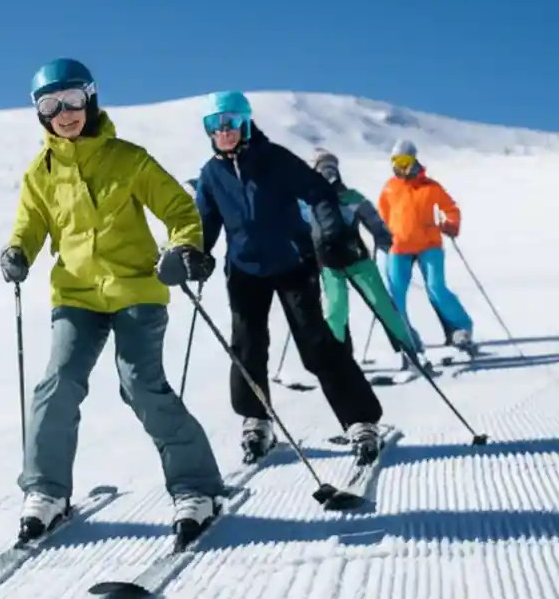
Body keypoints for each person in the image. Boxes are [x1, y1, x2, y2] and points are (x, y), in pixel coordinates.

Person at [0, 58, 226, 547]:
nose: (64, 113)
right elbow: (30, 225)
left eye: (73, 100)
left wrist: (183, 249)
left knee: (140, 383)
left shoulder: (128, 158)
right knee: (56, 383)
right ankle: (46, 492)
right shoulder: (39, 174)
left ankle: (197, 489)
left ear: (91, 99)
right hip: (76, 293)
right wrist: (18, 251)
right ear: (39, 113)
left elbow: (180, 210)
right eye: (50, 104)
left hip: (136, 288)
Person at [193, 92, 383, 464]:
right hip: (245, 269)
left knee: (316, 343)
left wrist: (330, 233)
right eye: (214, 125)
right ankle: (256, 420)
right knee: (247, 346)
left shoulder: (274, 158)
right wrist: (194, 255)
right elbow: (205, 221)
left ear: (245, 122)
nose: (223, 131)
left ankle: (360, 421)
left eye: (230, 121)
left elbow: (319, 192)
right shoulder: (211, 173)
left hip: (292, 262)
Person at [304, 148, 421, 365]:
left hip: (355, 260)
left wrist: (387, 242)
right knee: (336, 311)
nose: (328, 173)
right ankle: (337, 362)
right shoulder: (308, 202)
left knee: (381, 305)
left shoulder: (351, 197)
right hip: (331, 264)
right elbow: (297, 229)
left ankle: (410, 352)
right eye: (323, 168)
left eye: (331, 168)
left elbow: (376, 224)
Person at [378, 139, 476, 354]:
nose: (400, 165)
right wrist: (381, 235)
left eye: (405, 160)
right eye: (396, 160)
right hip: (398, 247)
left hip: (428, 244)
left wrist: (451, 224)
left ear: (414, 160)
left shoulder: (431, 187)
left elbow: (451, 208)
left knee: (436, 288)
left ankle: (461, 329)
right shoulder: (390, 188)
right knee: (395, 293)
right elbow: (382, 215)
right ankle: (406, 336)